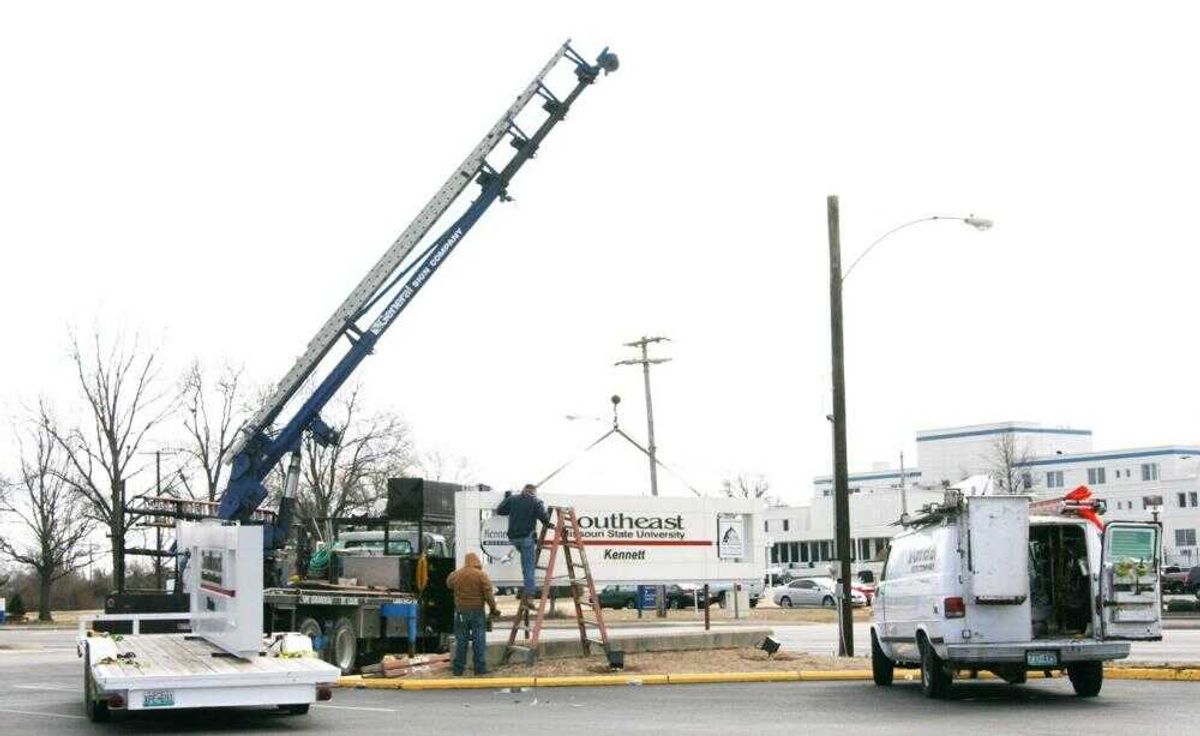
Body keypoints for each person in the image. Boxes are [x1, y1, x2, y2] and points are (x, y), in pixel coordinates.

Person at [446, 552, 499, 677]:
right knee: (479, 639)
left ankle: (458, 669)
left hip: (460, 612)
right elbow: (488, 595)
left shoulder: (456, 575)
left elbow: (448, 584)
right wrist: (493, 609)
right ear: (476, 562)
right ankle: (480, 668)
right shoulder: (481, 575)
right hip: (477, 612)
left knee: (461, 640)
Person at [496, 483, 552, 599]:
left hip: (514, 538)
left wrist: (507, 497)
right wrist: (550, 524)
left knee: (526, 564)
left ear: (523, 490)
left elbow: (500, 511)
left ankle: (527, 588)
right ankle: (530, 593)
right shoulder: (536, 502)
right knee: (528, 567)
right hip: (527, 537)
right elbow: (544, 518)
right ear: (534, 492)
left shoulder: (512, 499)